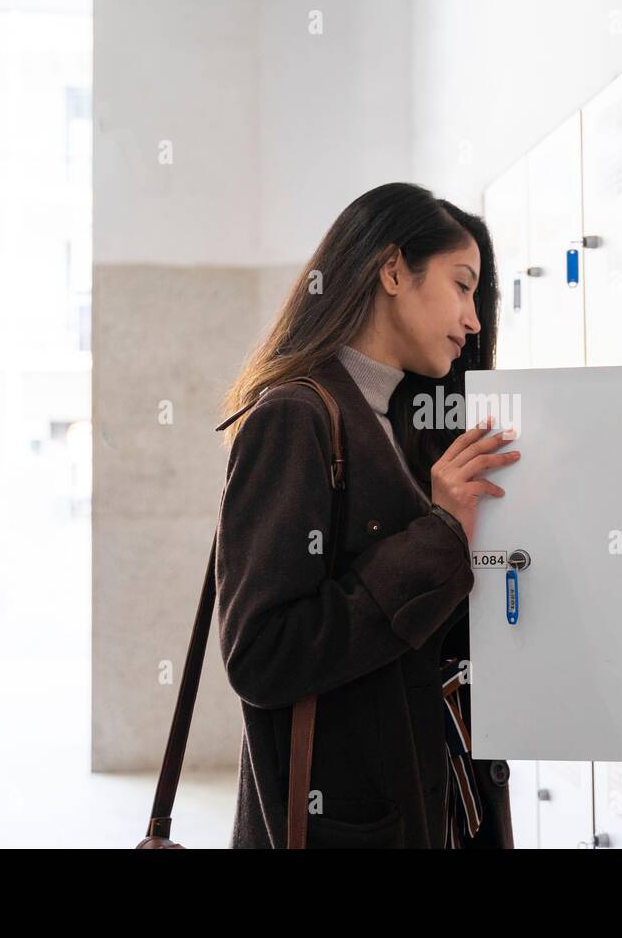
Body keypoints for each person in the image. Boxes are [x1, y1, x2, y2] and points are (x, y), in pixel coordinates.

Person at [214, 182, 522, 848]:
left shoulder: (400, 418)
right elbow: (262, 655)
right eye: (462, 285)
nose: (472, 320)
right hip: (347, 820)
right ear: (391, 271)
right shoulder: (295, 417)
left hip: (433, 794)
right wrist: (437, 535)